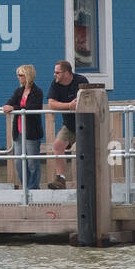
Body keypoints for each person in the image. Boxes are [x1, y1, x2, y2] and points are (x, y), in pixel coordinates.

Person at [46, 59, 89, 188]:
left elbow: (89, 99)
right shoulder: (56, 84)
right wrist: (69, 105)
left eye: (57, 72)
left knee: (88, 150)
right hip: (70, 125)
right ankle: (61, 179)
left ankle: (89, 178)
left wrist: (78, 104)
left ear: (66, 73)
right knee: (58, 145)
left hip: (87, 123)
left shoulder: (81, 81)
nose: (55, 75)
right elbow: (51, 103)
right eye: (54, 72)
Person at [2, 64, 44, 190]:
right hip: (19, 132)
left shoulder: (37, 91)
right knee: (19, 162)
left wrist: (14, 108)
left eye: (20, 75)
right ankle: (25, 186)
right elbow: (11, 101)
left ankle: (33, 188)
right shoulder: (19, 91)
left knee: (32, 162)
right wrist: (7, 106)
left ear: (27, 76)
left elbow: (33, 107)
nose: (18, 77)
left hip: (31, 132)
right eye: (18, 75)